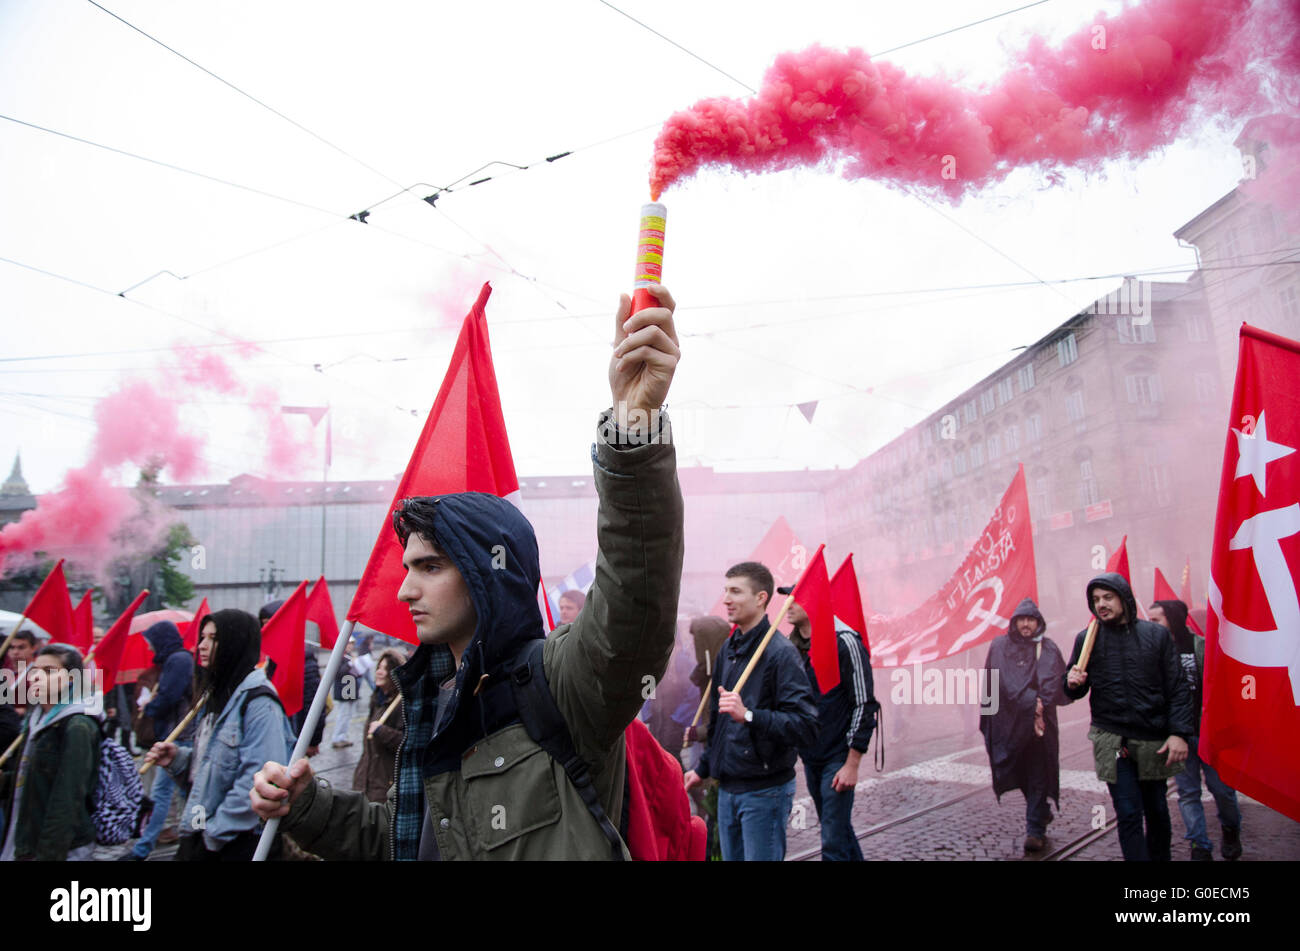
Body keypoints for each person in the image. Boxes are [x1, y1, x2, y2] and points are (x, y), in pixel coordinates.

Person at [250, 284, 683, 860]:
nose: (405, 588)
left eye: (430, 567)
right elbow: (414, 845)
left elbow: (636, 594)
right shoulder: (432, 699)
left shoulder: (563, 683)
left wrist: (634, 431)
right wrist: (307, 805)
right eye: (408, 567)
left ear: (487, 574)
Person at [683, 563, 818, 861]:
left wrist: (749, 715)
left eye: (735, 591)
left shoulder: (781, 653)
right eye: (725, 591)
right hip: (728, 788)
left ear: (760, 598)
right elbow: (718, 724)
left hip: (764, 791)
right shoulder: (728, 649)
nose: (727, 599)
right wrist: (703, 769)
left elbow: (805, 725)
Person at [144, 609, 295, 861]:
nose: (201, 646)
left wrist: (213, 833)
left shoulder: (259, 703)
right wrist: (178, 759)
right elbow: (213, 764)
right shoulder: (218, 695)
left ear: (234, 644)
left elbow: (259, 780)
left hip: (235, 844)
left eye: (213, 639)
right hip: (202, 834)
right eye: (202, 637)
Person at [1064, 573, 1193, 862]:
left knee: (1157, 811)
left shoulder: (1156, 635)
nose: (1101, 605)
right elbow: (1072, 687)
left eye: (1107, 597)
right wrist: (1071, 683)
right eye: (1096, 600)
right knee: (1128, 812)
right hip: (1110, 738)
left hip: (1152, 738)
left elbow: (1177, 687)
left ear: (1124, 598)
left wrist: (1178, 733)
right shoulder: (1087, 638)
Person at [782, 583, 876, 861]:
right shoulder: (791, 646)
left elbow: (864, 703)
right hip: (811, 755)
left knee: (833, 843)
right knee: (839, 830)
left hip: (839, 755)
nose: (788, 604)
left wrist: (852, 763)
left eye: (795, 598)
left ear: (813, 601)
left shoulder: (845, 640)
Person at [1149, 598, 1242, 861]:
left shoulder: (1201, 646)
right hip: (1178, 736)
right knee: (1188, 794)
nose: (1151, 625)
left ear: (1173, 619)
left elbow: (1223, 687)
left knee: (1222, 790)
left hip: (1208, 734)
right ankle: (1199, 846)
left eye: (1157, 619)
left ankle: (1230, 827)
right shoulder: (1154, 651)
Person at [980, 598, 1069, 853]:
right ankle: (1041, 812)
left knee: (1039, 773)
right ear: (1015, 621)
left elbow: (1054, 681)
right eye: (1022, 619)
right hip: (1009, 724)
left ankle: (1035, 830)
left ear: (1038, 622)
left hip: (1039, 728)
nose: (1026, 624)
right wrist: (991, 720)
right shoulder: (999, 646)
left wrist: (1040, 702)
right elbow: (998, 682)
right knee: (1018, 771)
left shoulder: (1048, 647)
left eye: (1031, 619)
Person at [0, 643, 101, 861]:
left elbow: (68, 797)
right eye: (35, 670)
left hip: (56, 848)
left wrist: (48, 854)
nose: (37, 677)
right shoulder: (35, 721)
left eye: (49, 671)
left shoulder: (78, 725)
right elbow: (33, 779)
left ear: (72, 679)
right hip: (21, 836)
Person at [121, 621, 194, 860]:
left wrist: (151, 707)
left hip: (180, 737)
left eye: (152, 643)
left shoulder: (179, 661)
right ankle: (176, 842)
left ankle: (182, 843)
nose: (150, 649)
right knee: (169, 794)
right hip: (175, 735)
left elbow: (170, 695)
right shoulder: (173, 661)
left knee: (171, 793)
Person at [259, 600, 324, 757]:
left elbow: (313, 703)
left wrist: (311, 740)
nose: (266, 630)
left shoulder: (303, 656)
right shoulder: (269, 656)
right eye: (263, 625)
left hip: (292, 736)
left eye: (270, 624)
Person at [352, 649, 407, 803]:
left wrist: (382, 732)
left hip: (385, 785)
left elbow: (407, 743)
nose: (379, 672)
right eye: (379, 667)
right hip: (365, 781)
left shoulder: (402, 704)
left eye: (385, 669)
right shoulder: (377, 701)